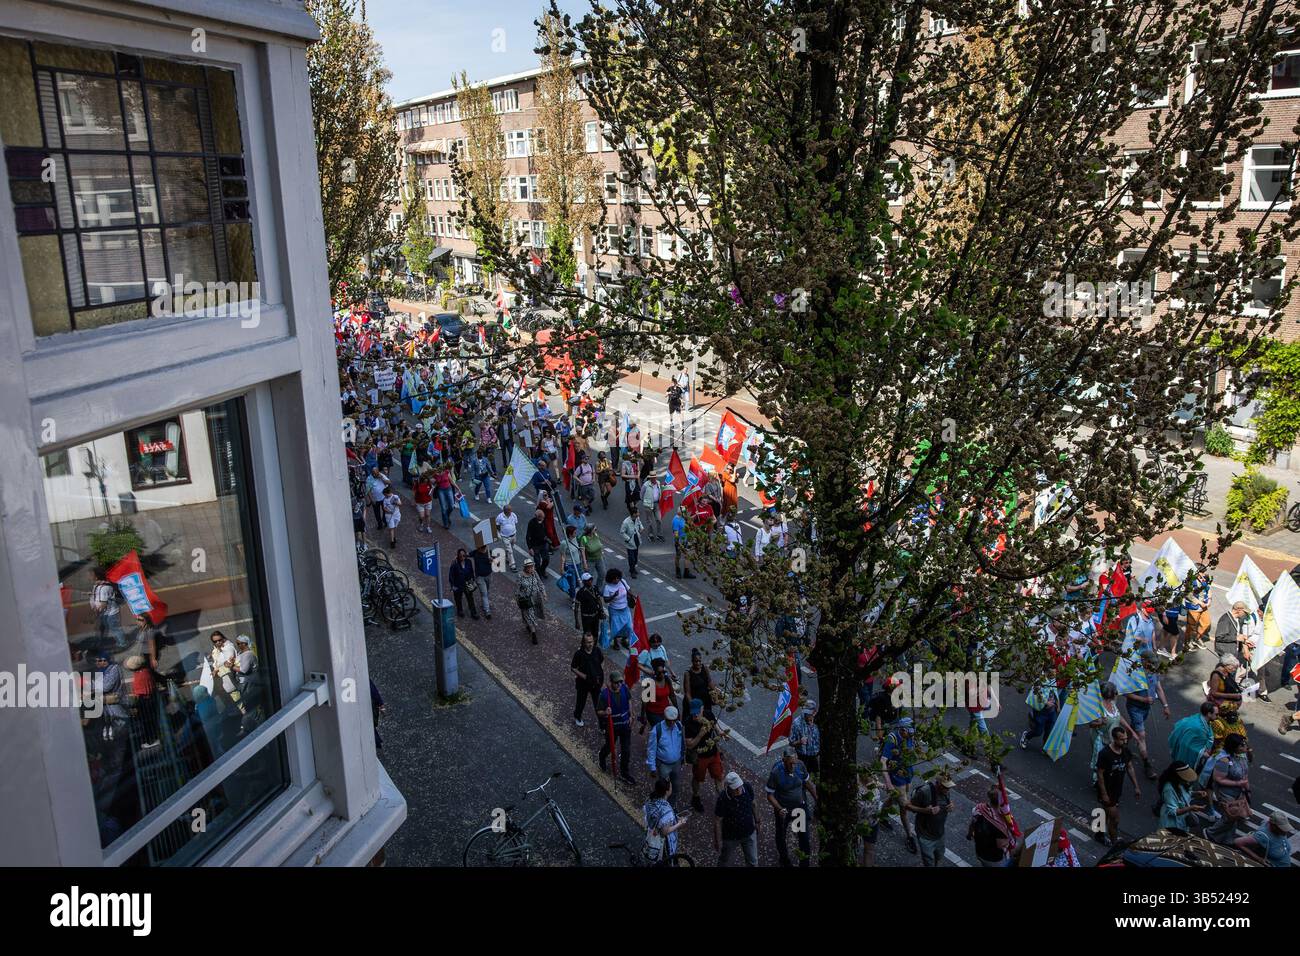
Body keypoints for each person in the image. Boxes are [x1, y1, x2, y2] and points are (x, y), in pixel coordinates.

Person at [765, 747, 817, 867]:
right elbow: (769, 795)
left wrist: (816, 799)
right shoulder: (776, 772)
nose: (793, 766)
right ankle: (784, 859)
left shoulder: (801, 766)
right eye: (790, 764)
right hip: (784, 809)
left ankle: (804, 863)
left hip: (799, 807)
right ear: (784, 760)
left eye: (795, 763)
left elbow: (807, 783)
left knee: (803, 836)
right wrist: (779, 808)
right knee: (781, 835)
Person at [1125, 649, 1170, 780]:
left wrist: (1166, 706)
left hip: (1145, 709)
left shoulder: (1154, 672)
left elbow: (1158, 688)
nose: (1153, 665)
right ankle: (1147, 764)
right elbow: (1125, 693)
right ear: (1143, 661)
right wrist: (1143, 699)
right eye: (1151, 663)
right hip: (1135, 708)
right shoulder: (1134, 673)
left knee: (1134, 728)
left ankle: (1122, 745)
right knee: (1141, 734)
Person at [1094, 725, 1141, 846]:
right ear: (1114, 739)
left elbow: (1129, 767)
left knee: (1104, 812)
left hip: (1116, 789)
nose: (1125, 741)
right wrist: (1104, 794)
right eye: (1122, 739)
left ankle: (1098, 834)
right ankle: (1115, 844)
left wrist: (1136, 786)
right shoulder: (1105, 754)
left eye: (1126, 739)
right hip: (1107, 790)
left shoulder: (1125, 751)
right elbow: (1099, 774)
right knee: (1115, 819)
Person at [1204, 732, 1252, 844]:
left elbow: (1245, 774)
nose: (1245, 746)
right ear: (1234, 747)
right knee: (1229, 817)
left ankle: (1227, 839)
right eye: (1241, 745)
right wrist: (1238, 783)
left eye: (1244, 744)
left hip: (1238, 791)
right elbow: (1218, 779)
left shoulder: (1242, 756)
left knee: (1235, 815)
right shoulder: (1224, 760)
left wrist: (1247, 789)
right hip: (1225, 793)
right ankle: (1210, 833)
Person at [882, 716, 918, 853]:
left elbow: (911, 752)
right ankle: (910, 837)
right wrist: (888, 783)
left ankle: (881, 815)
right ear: (902, 729)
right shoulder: (892, 739)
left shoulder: (910, 736)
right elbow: (883, 761)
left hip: (907, 773)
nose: (910, 734)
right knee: (904, 806)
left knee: (893, 799)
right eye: (908, 732)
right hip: (896, 777)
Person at [1088, 682, 1134, 785]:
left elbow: (1119, 716)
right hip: (1100, 739)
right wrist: (1098, 723)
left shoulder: (1112, 704)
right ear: (1111, 694)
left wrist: (1129, 729)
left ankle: (1106, 778)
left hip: (1112, 739)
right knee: (1099, 760)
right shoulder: (1098, 707)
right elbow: (1090, 724)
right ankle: (1097, 781)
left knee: (1110, 760)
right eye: (1115, 692)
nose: (1116, 694)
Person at [685, 697, 726, 812]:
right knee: (698, 778)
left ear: (702, 709)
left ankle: (723, 800)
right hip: (700, 757)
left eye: (697, 713)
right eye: (693, 713)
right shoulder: (689, 722)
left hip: (713, 752)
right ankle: (696, 797)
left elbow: (715, 725)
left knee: (719, 776)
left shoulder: (708, 714)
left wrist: (720, 732)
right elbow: (690, 745)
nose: (695, 716)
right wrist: (700, 734)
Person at [908, 772, 955, 867]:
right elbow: (908, 806)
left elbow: (948, 802)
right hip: (925, 836)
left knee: (939, 856)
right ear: (937, 783)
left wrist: (951, 805)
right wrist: (925, 810)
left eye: (949, 787)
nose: (948, 789)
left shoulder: (946, 791)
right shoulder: (924, 792)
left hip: (939, 834)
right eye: (945, 787)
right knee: (929, 862)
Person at [714, 770, 760, 866]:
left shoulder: (747, 787)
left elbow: (753, 804)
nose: (739, 790)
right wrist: (718, 840)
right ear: (728, 787)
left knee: (753, 861)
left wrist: (757, 821)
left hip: (749, 833)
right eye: (735, 789)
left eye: (739, 786)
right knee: (724, 861)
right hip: (730, 837)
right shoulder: (723, 798)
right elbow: (718, 820)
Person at [597, 671, 635, 783]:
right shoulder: (604, 695)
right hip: (612, 727)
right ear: (611, 682)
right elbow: (598, 711)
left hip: (625, 726)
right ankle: (602, 757)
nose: (619, 684)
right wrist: (605, 712)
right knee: (609, 747)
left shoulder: (624, 688)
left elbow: (629, 700)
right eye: (616, 682)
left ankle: (624, 773)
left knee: (626, 750)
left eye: (620, 682)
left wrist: (631, 715)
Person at [646, 704, 685, 807]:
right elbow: (651, 750)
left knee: (675, 786)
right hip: (663, 765)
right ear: (664, 717)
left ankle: (671, 806)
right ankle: (661, 806)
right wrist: (652, 767)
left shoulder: (679, 726)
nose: (672, 723)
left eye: (674, 720)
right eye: (669, 720)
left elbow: (681, 743)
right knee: (664, 788)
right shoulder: (657, 730)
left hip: (676, 763)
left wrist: (682, 757)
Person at [967, 786, 1017, 865]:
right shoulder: (1001, 824)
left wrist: (969, 835)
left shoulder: (978, 808)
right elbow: (1001, 845)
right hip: (993, 858)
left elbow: (972, 824)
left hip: (979, 850)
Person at [643, 778, 687, 865]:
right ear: (667, 791)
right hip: (663, 844)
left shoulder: (650, 800)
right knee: (664, 862)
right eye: (670, 787)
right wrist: (680, 824)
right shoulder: (666, 810)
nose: (671, 788)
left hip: (650, 833)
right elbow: (664, 832)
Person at [1156, 761, 1209, 832]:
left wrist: (1196, 793)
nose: (1187, 782)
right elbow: (1172, 812)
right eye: (1185, 779)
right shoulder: (1168, 789)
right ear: (1177, 777)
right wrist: (1191, 808)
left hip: (1181, 820)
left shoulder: (1180, 784)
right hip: (1171, 822)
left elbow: (1184, 795)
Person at [1168, 700, 1218, 770]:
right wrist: (1202, 754)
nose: (1217, 716)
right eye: (1216, 714)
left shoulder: (1198, 717)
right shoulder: (1198, 729)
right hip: (1187, 759)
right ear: (1209, 714)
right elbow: (1188, 745)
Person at [571, 631, 604, 727]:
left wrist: (600, 671)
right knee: (581, 702)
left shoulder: (597, 650)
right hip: (583, 684)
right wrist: (584, 676)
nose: (590, 644)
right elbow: (573, 668)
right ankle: (577, 716)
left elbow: (602, 660)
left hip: (596, 683)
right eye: (588, 642)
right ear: (583, 642)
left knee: (598, 705)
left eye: (591, 642)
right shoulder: (579, 654)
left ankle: (602, 725)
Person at [91, 571, 129, 652]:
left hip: (110, 614)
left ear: (96, 577)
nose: (89, 577)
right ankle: (113, 642)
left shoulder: (104, 588)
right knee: (105, 628)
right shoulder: (98, 585)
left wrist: (94, 614)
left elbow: (103, 604)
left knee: (115, 629)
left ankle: (123, 644)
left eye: (91, 575)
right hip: (105, 613)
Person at [1020, 678, 1059, 750]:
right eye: (1053, 670)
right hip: (1041, 712)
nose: (1055, 672)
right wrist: (1046, 702)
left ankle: (1045, 747)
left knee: (1049, 731)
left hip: (1052, 712)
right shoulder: (1040, 680)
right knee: (1038, 732)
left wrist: (1058, 705)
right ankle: (1026, 736)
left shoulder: (1054, 679)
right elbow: (1036, 694)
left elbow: (1055, 692)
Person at [641, 658, 677, 731]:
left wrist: (677, 709)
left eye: (663, 672)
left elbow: (672, 696)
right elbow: (644, 701)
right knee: (660, 731)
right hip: (653, 713)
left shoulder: (667, 679)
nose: (662, 675)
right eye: (659, 672)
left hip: (665, 712)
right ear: (654, 672)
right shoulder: (650, 682)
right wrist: (643, 715)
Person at [516, 558, 546, 644]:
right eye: (529, 567)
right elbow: (517, 589)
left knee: (532, 614)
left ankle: (529, 626)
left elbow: (540, 583)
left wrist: (544, 593)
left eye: (532, 567)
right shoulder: (520, 575)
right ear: (525, 568)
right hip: (526, 599)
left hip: (536, 598)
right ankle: (533, 634)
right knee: (530, 615)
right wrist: (517, 599)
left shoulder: (535, 573)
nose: (531, 569)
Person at [603, 568, 633, 649]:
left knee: (628, 626)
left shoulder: (622, 581)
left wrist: (632, 595)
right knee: (616, 628)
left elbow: (628, 589)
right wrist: (613, 596)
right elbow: (605, 600)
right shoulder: (607, 587)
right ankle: (615, 641)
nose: (617, 580)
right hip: (614, 610)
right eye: (615, 578)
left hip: (625, 608)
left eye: (618, 578)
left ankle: (624, 639)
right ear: (610, 579)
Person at [789, 700, 822, 775]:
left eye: (809, 713)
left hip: (815, 754)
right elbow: (791, 742)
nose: (807, 715)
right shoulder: (797, 724)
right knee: (803, 775)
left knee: (816, 775)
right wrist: (800, 742)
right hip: (803, 756)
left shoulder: (818, 720)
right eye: (805, 713)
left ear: (815, 712)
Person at [683, 649, 716, 720]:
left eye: (699, 661)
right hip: (696, 701)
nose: (698, 663)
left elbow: (710, 682)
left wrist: (715, 694)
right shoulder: (688, 674)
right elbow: (687, 693)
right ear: (692, 661)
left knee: (708, 720)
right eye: (696, 661)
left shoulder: (705, 668)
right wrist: (693, 706)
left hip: (706, 700)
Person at [448, 547, 479, 620]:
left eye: (464, 555)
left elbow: (471, 571)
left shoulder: (468, 562)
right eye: (460, 556)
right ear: (458, 556)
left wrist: (473, 580)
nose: (462, 557)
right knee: (458, 599)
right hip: (458, 584)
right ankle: (460, 611)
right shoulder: (455, 564)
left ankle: (473, 613)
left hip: (467, 583)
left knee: (470, 599)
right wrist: (452, 586)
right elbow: (451, 575)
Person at [575, 572, 603, 645]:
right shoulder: (580, 593)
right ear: (584, 582)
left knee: (595, 634)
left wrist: (602, 610)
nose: (590, 581)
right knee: (587, 635)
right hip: (586, 618)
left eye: (591, 579)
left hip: (595, 616)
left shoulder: (595, 588)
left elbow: (599, 600)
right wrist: (577, 621)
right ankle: (583, 648)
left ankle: (594, 647)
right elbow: (576, 608)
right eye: (588, 580)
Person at [526, 507, 552, 576]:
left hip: (544, 544)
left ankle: (542, 569)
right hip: (535, 545)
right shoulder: (532, 523)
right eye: (541, 517)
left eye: (543, 517)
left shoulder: (544, 521)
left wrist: (548, 539)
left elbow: (547, 531)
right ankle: (539, 574)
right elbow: (528, 536)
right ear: (537, 517)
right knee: (537, 562)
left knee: (546, 559)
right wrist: (530, 548)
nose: (543, 519)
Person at [471, 541, 494, 618]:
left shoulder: (489, 553)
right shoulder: (475, 552)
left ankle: (484, 604)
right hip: (479, 577)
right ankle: (487, 610)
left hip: (488, 575)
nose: (483, 549)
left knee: (486, 591)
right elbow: (466, 555)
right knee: (484, 593)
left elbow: (498, 564)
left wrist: (493, 561)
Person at [620, 506, 644, 578]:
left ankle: (633, 567)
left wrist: (642, 528)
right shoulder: (626, 522)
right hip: (630, 542)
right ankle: (632, 570)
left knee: (635, 556)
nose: (639, 513)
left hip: (636, 540)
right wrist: (628, 539)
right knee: (631, 558)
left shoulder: (637, 518)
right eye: (637, 512)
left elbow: (640, 524)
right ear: (633, 514)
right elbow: (622, 532)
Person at [672, 505, 695, 579]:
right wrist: (678, 542)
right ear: (680, 512)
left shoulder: (683, 518)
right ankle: (677, 571)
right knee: (678, 556)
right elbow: (675, 532)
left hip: (686, 539)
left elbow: (688, 521)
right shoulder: (676, 520)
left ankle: (686, 572)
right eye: (684, 511)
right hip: (680, 541)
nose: (686, 512)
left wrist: (695, 515)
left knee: (687, 555)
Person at [640, 473, 664, 542]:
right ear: (650, 478)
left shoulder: (658, 483)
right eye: (652, 477)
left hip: (656, 503)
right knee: (649, 521)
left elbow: (659, 492)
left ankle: (659, 534)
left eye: (655, 477)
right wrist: (645, 501)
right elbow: (641, 494)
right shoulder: (646, 485)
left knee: (659, 519)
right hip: (648, 505)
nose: (654, 479)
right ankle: (650, 535)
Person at [495, 504, 518, 571]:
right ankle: (512, 565)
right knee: (510, 550)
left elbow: (515, 522)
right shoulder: (500, 517)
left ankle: (507, 558)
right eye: (509, 510)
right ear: (505, 510)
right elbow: (497, 525)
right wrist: (501, 532)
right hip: (505, 537)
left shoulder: (513, 515)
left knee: (510, 548)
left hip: (513, 535)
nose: (511, 511)